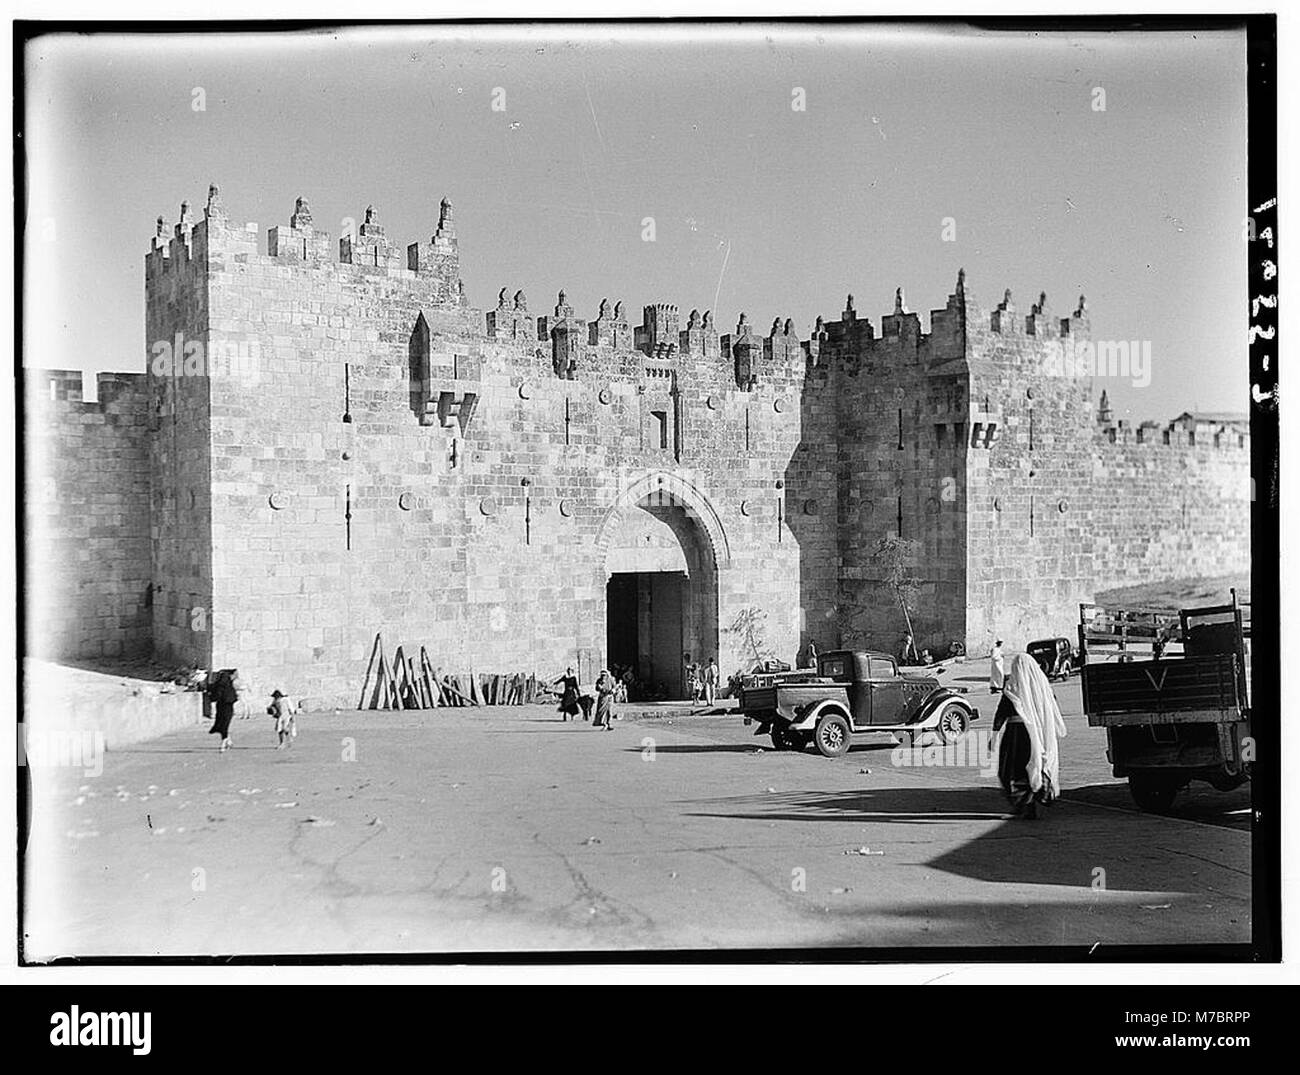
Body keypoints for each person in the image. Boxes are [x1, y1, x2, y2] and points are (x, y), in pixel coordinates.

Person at [993, 653, 1068, 819]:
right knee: (1032, 767)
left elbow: (1001, 712)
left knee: (1012, 771)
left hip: (1016, 735)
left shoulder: (1012, 687)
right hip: (1037, 734)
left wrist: (994, 734)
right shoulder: (1043, 687)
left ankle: (1024, 806)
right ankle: (1030, 804)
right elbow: (1051, 707)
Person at [207, 668, 239, 752]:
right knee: (224, 725)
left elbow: (215, 694)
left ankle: (224, 743)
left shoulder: (221, 685)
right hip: (225, 706)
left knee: (223, 725)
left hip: (223, 706)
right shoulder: (227, 686)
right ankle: (227, 741)